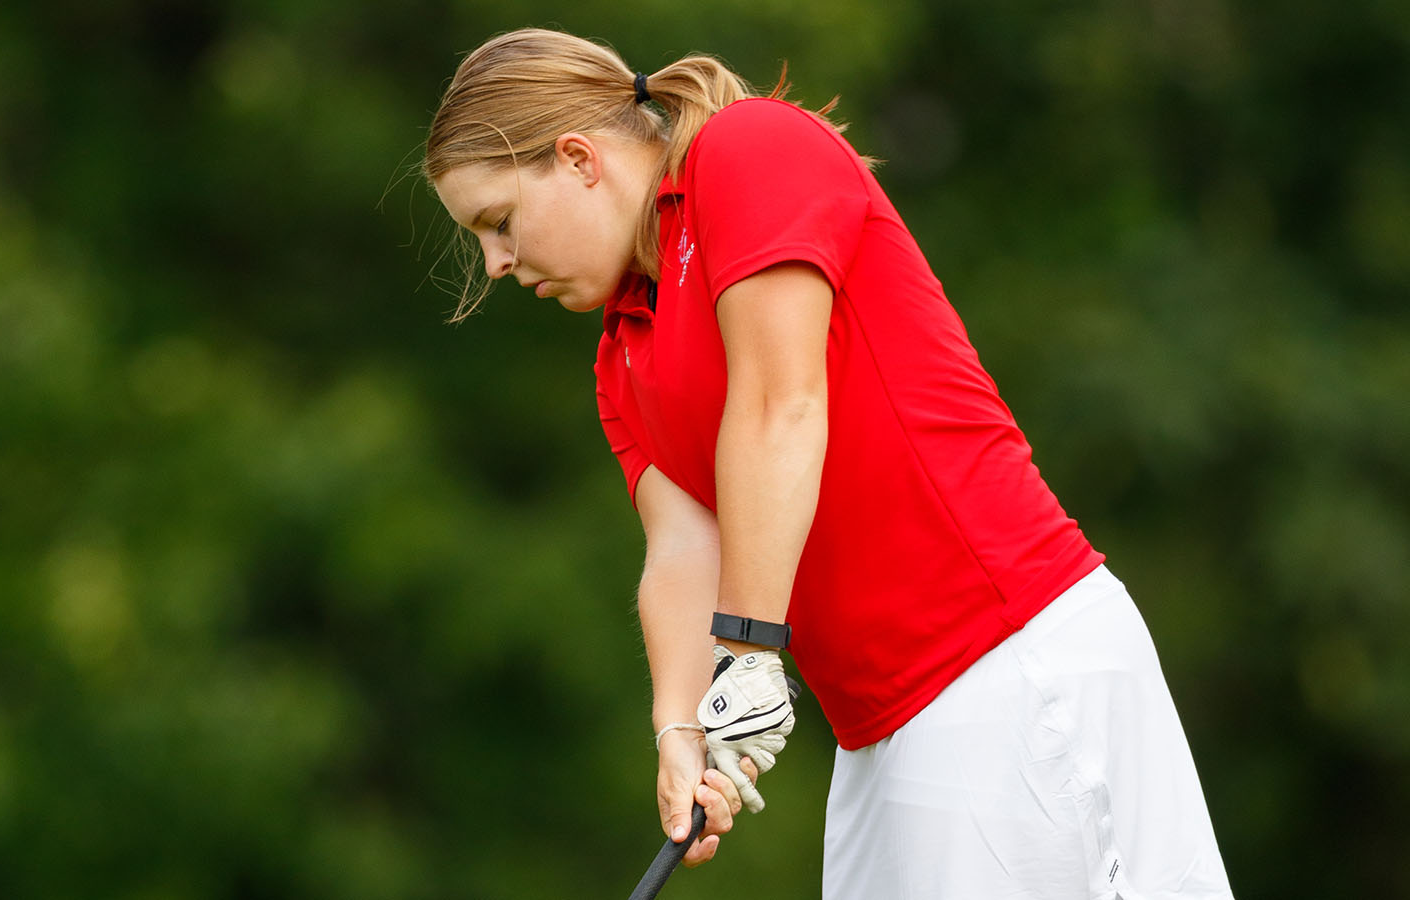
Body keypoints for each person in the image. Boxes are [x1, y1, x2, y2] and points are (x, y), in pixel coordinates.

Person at [424, 27, 1235, 900]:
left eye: (498, 222)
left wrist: (748, 653)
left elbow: (783, 403)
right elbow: (681, 548)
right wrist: (680, 729)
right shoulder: (622, 353)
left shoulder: (749, 151)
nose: (497, 262)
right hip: (880, 730)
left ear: (578, 158)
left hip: (1009, 667)